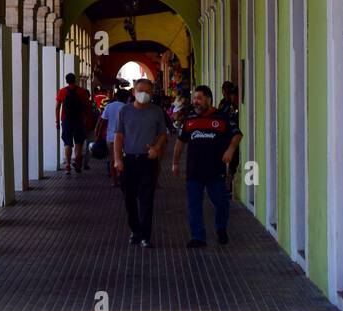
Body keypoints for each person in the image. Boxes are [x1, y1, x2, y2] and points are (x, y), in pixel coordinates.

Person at [172, 84, 242, 248]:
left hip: (215, 170)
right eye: (195, 98)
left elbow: (237, 134)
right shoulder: (189, 119)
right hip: (194, 170)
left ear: (209, 99)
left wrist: (230, 150)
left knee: (221, 202)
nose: (196, 101)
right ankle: (198, 237)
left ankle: (221, 228)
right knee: (194, 204)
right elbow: (180, 142)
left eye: (200, 98)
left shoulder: (222, 118)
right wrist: (175, 162)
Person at [112, 79, 168, 247]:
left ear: (152, 94)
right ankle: (135, 230)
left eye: (147, 91)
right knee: (129, 199)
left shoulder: (156, 111)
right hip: (129, 160)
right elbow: (118, 136)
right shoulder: (125, 111)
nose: (144, 94)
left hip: (148, 160)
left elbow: (163, 134)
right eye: (140, 90)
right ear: (134, 92)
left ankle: (145, 235)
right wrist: (117, 159)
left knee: (146, 199)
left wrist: (156, 148)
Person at [55, 72, 91, 174]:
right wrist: (86, 119)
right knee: (78, 142)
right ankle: (78, 163)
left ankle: (67, 165)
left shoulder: (62, 92)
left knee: (67, 143)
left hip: (66, 121)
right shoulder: (81, 91)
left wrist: (57, 121)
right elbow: (87, 106)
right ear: (75, 80)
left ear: (66, 80)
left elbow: (57, 107)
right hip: (79, 120)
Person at [100, 86, 128, 187]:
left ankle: (114, 180)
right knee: (123, 159)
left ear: (116, 96)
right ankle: (122, 177)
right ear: (126, 98)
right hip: (125, 138)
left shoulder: (109, 106)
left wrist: (98, 134)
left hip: (111, 137)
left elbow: (103, 121)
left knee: (113, 159)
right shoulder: (126, 107)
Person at [219, 80, 242, 196]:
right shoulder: (225, 104)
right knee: (228, 163)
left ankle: (231, 188)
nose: (227, 94)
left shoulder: (236, 108)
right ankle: (228, 187)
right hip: (227, 137)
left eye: (230, 93)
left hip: (235, 137)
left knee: (233, 163)